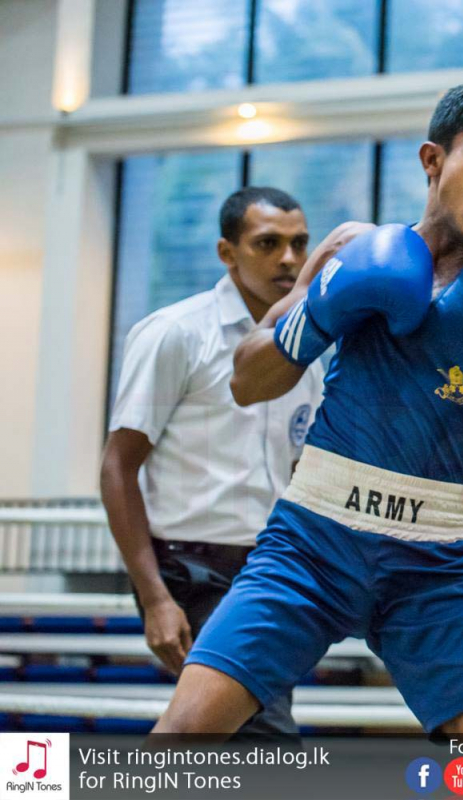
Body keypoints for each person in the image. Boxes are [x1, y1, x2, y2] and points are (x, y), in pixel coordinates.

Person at [149, 61, 463, 737]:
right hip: (309, 543)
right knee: (176, 742)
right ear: (434, 159)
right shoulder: (350, 248)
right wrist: (326, 303)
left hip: (430, 565)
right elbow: (249, 380)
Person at [100, 187, 325, 739]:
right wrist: (155, 598)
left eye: (299, 243)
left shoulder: (308, 347)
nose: (289, 259)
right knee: (258, 734)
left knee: (218, 736)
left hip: (273, 571)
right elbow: (118, 466)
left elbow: (301, 470)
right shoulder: (176, 332)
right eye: (268, 244)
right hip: (191, 573)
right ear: (228, 252)